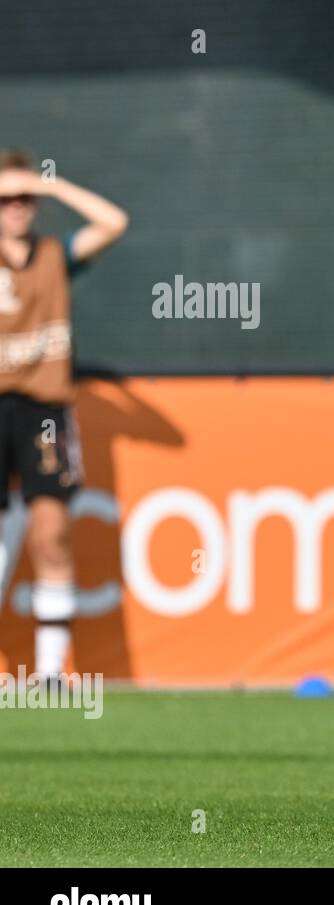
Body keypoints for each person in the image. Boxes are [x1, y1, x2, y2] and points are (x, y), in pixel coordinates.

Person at [0, 150, 129, 679]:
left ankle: (51, 675)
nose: (16, 208)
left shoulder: (55, 255)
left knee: (50, 532)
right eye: (5, 198)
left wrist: (51, 186)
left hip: (43, 409)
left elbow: (114, 222)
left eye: (24, 198)